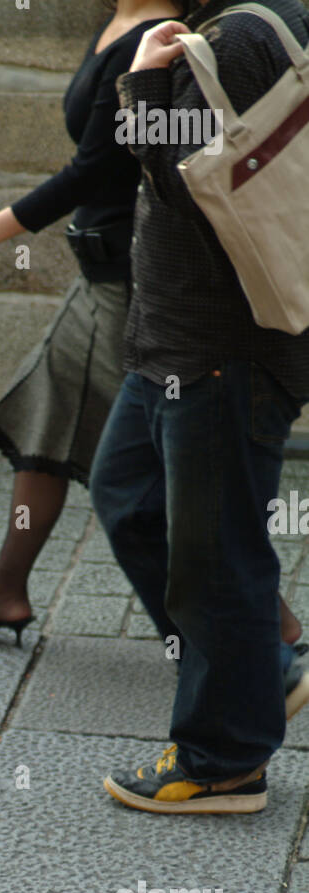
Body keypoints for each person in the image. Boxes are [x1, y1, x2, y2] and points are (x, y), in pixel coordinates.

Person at [89, 0, 309, 813]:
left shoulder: (243, 39)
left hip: (224, 351)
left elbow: (186, 183)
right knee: (127, 498)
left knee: (215, 557)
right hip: (176, 346)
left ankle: (224, 757)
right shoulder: (233, 29)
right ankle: (260, 671)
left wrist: (142, 80)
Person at [0, 0, 189, 645]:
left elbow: (96, 166)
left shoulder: (159, 36)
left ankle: (263, 626)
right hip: (98, 276)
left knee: (163, 464)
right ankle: (5, 591)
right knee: (42, 417)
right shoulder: (120, 22)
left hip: (132, 283)